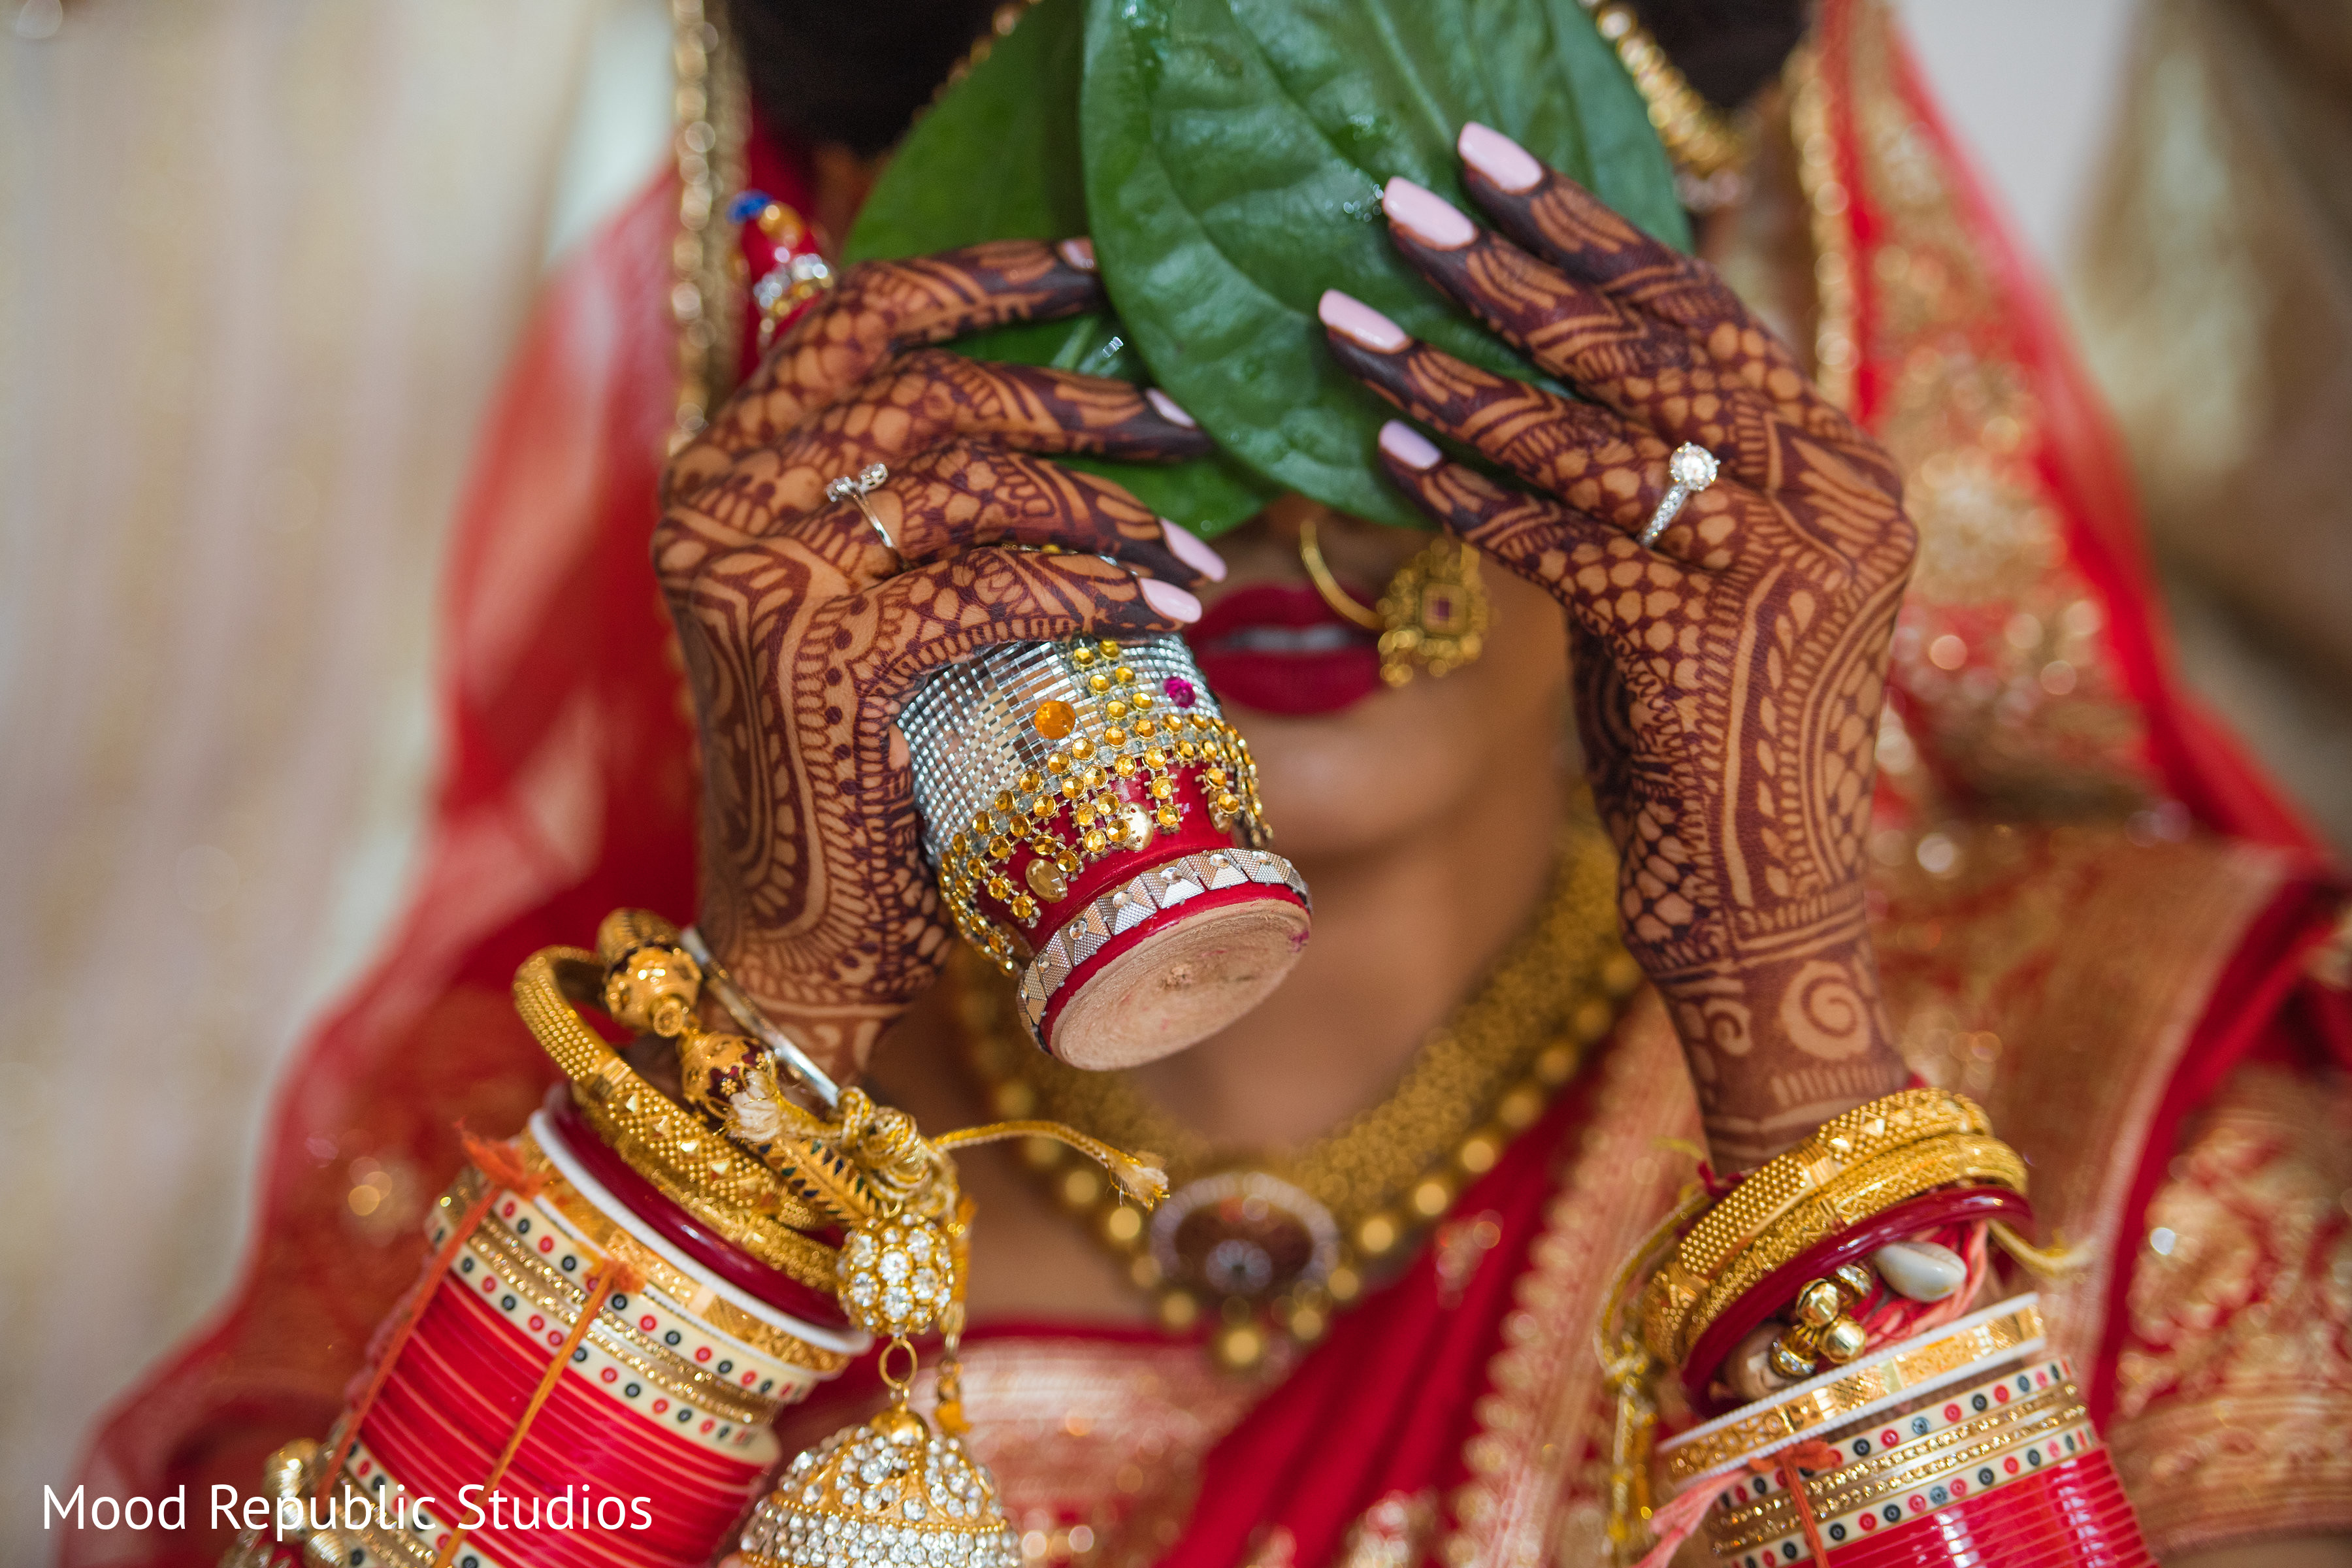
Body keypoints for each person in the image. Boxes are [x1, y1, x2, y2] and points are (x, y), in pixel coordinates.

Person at [73, 3, 2350, 1566]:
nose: (1275, 514)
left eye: (1405, 332)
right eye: (1102, 345)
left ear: (1691, 319)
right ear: (812, 331)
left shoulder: (2132, 1146)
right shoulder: (495, 1186)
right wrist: (764, 1035)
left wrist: (1789, 1053)